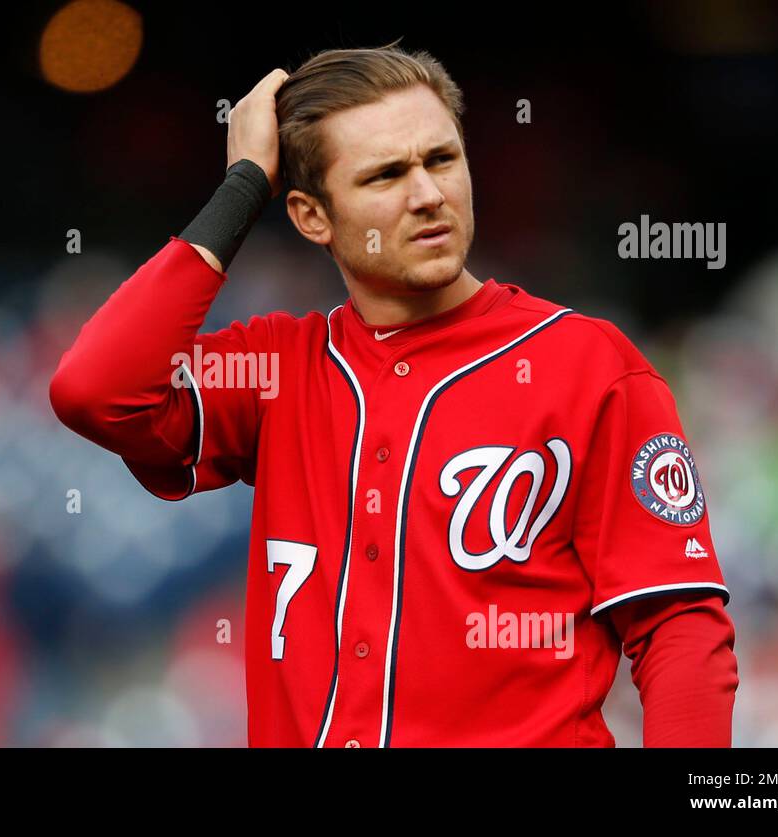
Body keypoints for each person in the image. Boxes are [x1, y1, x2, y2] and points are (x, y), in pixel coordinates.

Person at [50, 43, 738, 747]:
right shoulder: (278, 366)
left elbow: (678, 625)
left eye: (441, 159)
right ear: (312, 216)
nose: (428, 194)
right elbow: (95, 390)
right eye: (386, 174)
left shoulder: (589, 363)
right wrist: (242, 187)